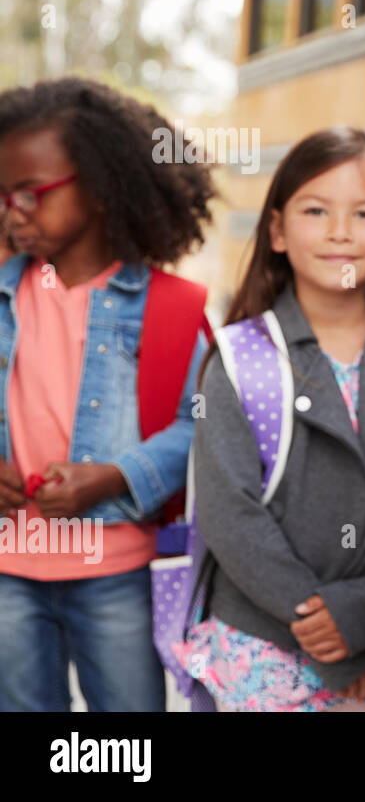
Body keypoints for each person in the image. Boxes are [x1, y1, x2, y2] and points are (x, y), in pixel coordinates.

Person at [176, 127, 365, 711]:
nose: (340, 232)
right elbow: (228, 512)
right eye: (316, 211)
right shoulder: (240, 356)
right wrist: (322, 625)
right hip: (261, 651)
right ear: (278, 231)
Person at [0, 77, 215, 711]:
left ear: (98, 186)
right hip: (10, 568)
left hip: (117, 570)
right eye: (3, 193)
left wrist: (116, 476)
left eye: (31, 193)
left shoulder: (169, 308)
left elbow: (201, 422)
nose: (14, 209)